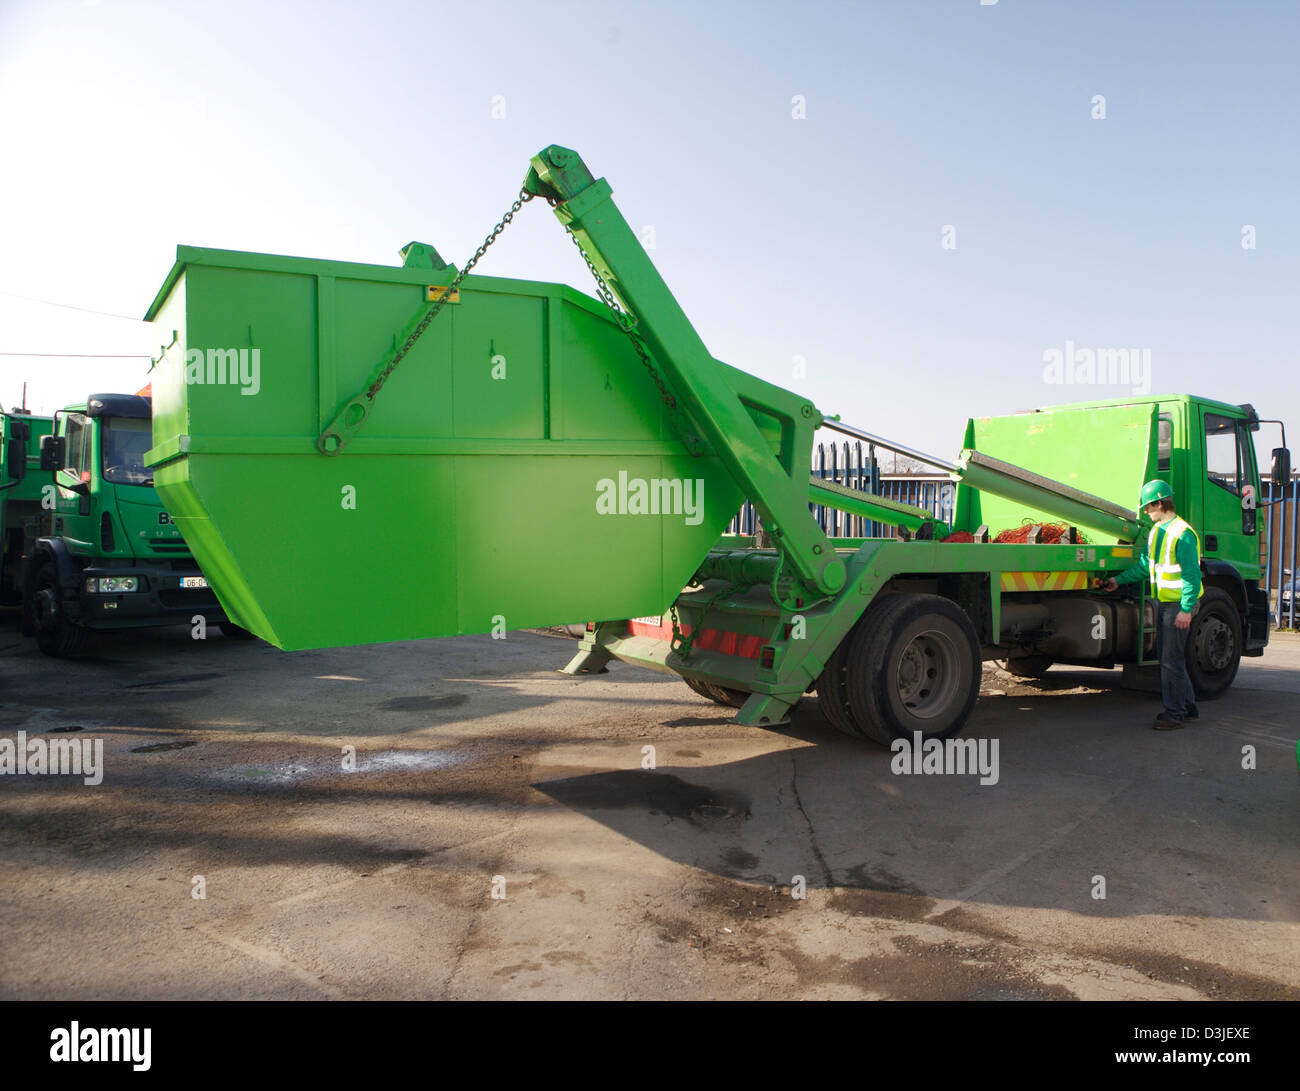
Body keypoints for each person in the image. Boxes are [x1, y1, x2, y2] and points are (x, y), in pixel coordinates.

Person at [1101, 479, 1204, 730]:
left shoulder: (1183, 534)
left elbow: (1192, 575)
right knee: (1170, 658)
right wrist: (1119, 580)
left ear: (1160, 503)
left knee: (1171, 660)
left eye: (1148, 507)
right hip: (1165, 603)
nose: (1146, 512)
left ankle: (1174, 713)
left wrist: (1186, 610)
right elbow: (1146, 566)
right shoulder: (1157, 531)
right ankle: (1188, 706)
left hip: (1179, 605)